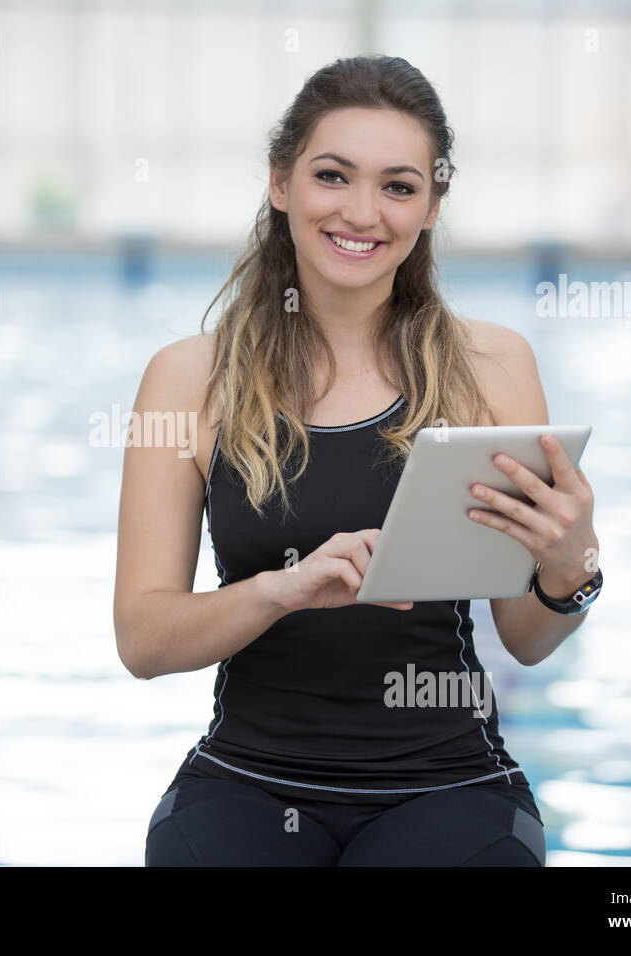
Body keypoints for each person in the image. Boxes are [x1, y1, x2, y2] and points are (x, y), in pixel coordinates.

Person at [113, 54, 602, 866]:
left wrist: (570, 562)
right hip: (248, 780)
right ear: (281, 183)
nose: (363, 213)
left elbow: (527, 637)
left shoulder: (492, 367)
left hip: (448, 785)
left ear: (431, 205)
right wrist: (282, 591)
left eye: (400, 186)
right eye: (333, 176)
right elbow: (143, 639)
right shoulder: (189, 379)